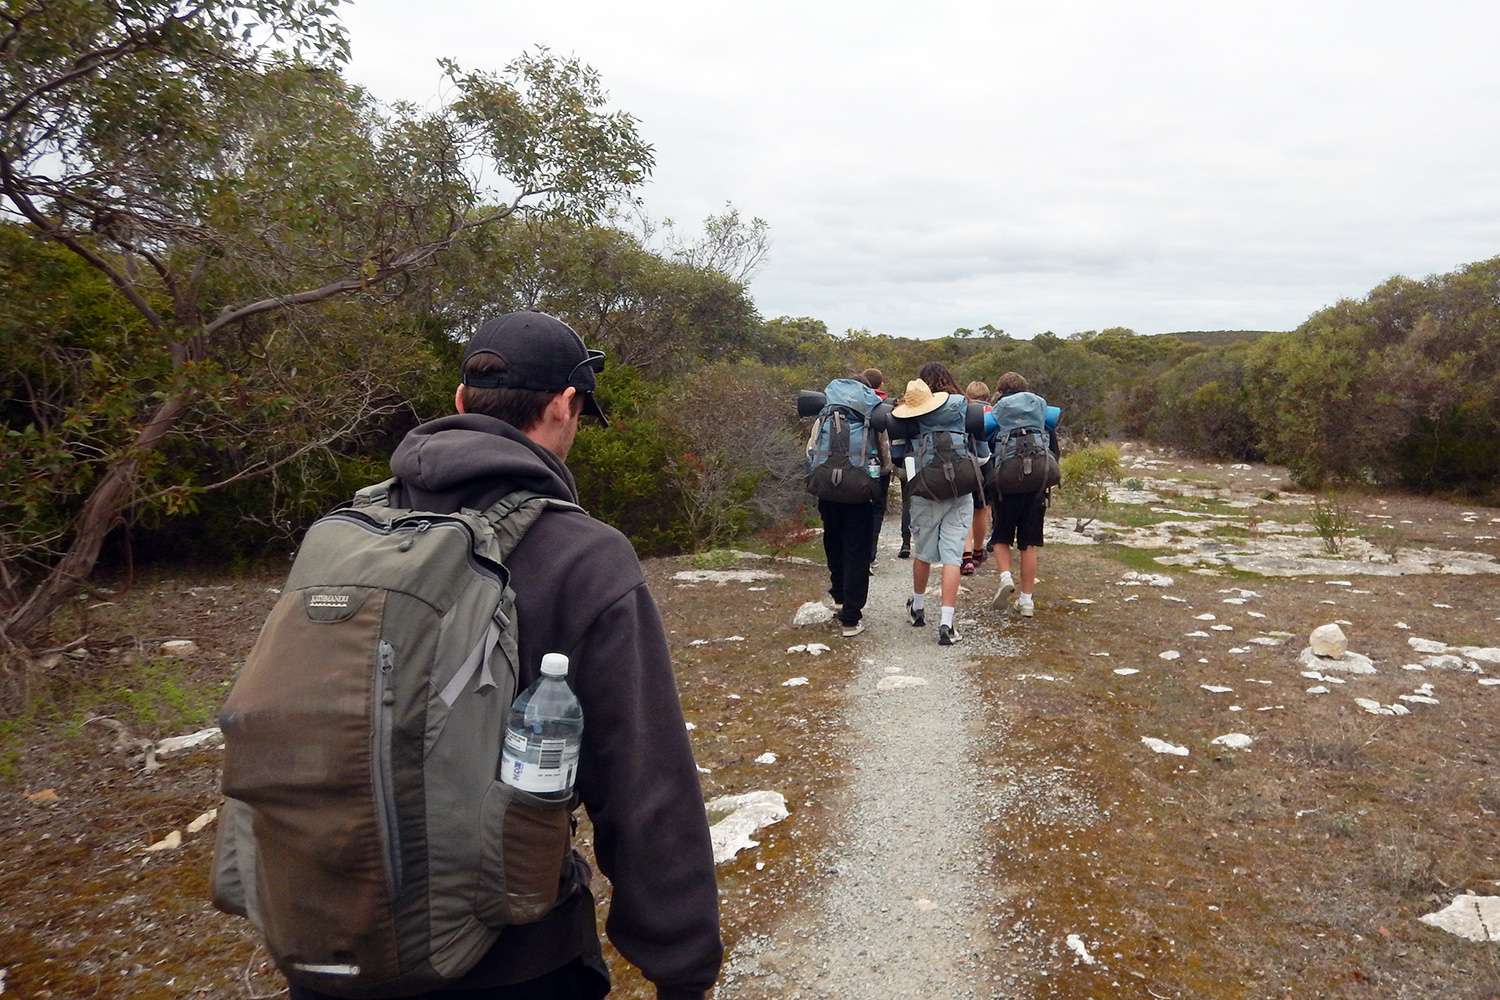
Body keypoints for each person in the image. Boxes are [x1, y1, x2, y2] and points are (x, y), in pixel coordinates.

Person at [291, 311, 724, 1000]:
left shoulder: (344, 533)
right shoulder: (585, 555)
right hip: (512, 957)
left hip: (329, 938)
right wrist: (683, 965)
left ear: (461, 403)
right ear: (564, 406)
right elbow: (643, 783)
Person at [895, 363, 976, 646]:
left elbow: (898, 451)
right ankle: (947, 623)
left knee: (924, 551)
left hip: (925, 487)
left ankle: (918, 607)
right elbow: (982, 448)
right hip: (960, 487)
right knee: (953, 555)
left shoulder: (916, 410)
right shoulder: (963, 406)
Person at [805, 373, 886, 637]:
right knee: (857, 551)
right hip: (859, 493)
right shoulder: (871, 416)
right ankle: (851, 618)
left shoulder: (826, 413)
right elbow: (883, 462)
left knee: (833, 542)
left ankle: (838, 594)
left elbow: (811, 451)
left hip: (827, 490)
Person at [988, 370, 1056, 619]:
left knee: (1000, 537)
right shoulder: (1040, 415)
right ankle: (1027, 601)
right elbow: (1054, 451)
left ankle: (1006, 577)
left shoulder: (998, 415)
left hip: (1006, 486)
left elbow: (986, 450)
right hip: (1036, 485)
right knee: (1028, 543)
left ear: (1001, 392)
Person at [861, 367, 893, 571]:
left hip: (852, 468)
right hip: (877, 469)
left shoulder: (847, 404)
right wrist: (888, 468)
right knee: (876, 511)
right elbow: (885, 443)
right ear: (880, 385)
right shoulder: (883, 406)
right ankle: (869, 556)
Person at [960, 380, 992, 576]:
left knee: (964, 510)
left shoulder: (963, 410)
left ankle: (966, 556)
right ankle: (978, 552)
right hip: (985, 465)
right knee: (980, 510)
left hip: (964, 464)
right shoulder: (993, 412)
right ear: (987, 397)